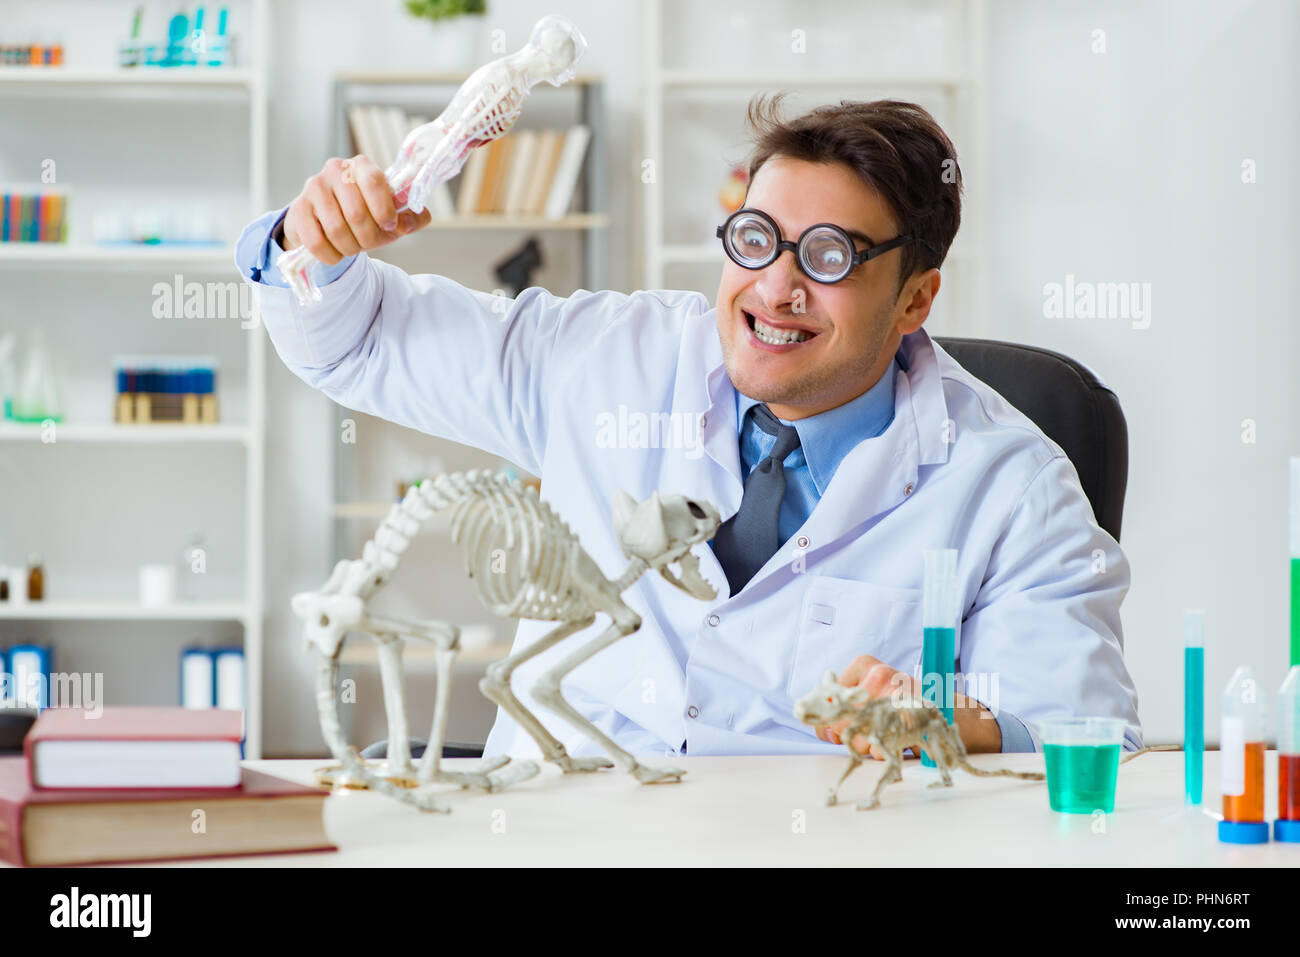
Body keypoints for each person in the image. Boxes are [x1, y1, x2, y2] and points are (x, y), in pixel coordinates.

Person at [236, 96, 1143, 764]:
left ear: (915, 298)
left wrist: (958, 722)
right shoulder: (603, 357)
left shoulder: (1014, 483)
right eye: (756, 238)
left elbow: (1075, 731)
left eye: (829, 256)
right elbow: (353, 343)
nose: (775, 287)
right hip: (562, 832)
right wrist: (315, 241)